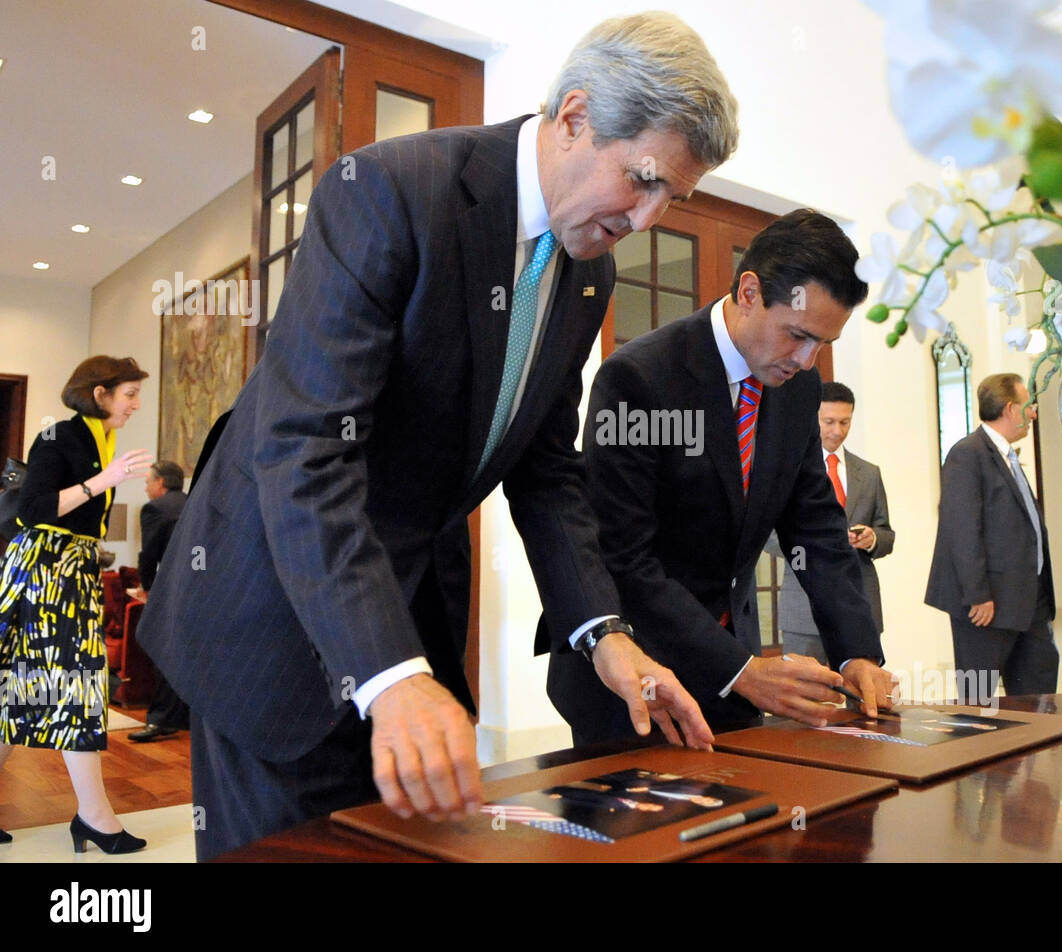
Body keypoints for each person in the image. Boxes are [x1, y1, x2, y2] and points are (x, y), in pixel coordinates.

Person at [137, 12, 740, 860]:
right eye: (640, 179)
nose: (643, 219)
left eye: (669, 198)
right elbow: (304, 447)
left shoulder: (587, 272)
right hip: (274, 614)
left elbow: (546, 470)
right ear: (574, 117)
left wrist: (606, 635)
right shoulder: (390, 190)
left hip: (409, 613)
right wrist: (392, 676)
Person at [550, 209, 897, 745]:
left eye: (822, 345)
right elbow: (623, 557)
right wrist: (744, 671)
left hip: (733, 673)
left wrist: (859, 652)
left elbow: (817, 530)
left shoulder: (798, 388)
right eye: (798, 336)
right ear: (750, 291)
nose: (807, 362)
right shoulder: (639, 378)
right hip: (637, 677)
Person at [0, 356, 154, 853]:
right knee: (75, 684)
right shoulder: (58, 438)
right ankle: (94, 815)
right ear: (100, 393)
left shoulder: (97, 440)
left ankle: (93, 814)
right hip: (46, 570)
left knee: (16, 688)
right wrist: (104, 480)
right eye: (129, 393)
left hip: (68, 571)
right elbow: (33, 509)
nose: (135, 404)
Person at [924, 372, 1058, 702]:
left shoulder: (1008, 457)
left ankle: (1035, 754)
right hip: (987, 604)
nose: (1033, 413)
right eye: (1028, 406)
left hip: (1028, 600)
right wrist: (977, 594)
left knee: (1037, 697)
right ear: (1011, 409)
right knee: (978, 701)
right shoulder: (968, 454)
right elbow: (962, 529)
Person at [764, 381, 894, 663]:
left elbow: (887, 534)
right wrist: (820, 543)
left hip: (861, 604)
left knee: (862, 698)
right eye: (829, 422)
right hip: (802, 605)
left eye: (845, 422)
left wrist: (873, 539)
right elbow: (769, 533)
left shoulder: (869, 473)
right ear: (814, 418)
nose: (838, 431)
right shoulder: (790, 469)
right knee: (802, 700)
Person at [126, 460, 189, 742]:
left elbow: (149, 554)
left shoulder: (155, 509)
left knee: (161, 650)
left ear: (161, 483)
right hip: (202, 589)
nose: (146, 486)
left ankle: (161, 719)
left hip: (173, 590)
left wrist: (146, 588)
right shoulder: (195, 501)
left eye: (148, 481)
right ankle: (184, 718)